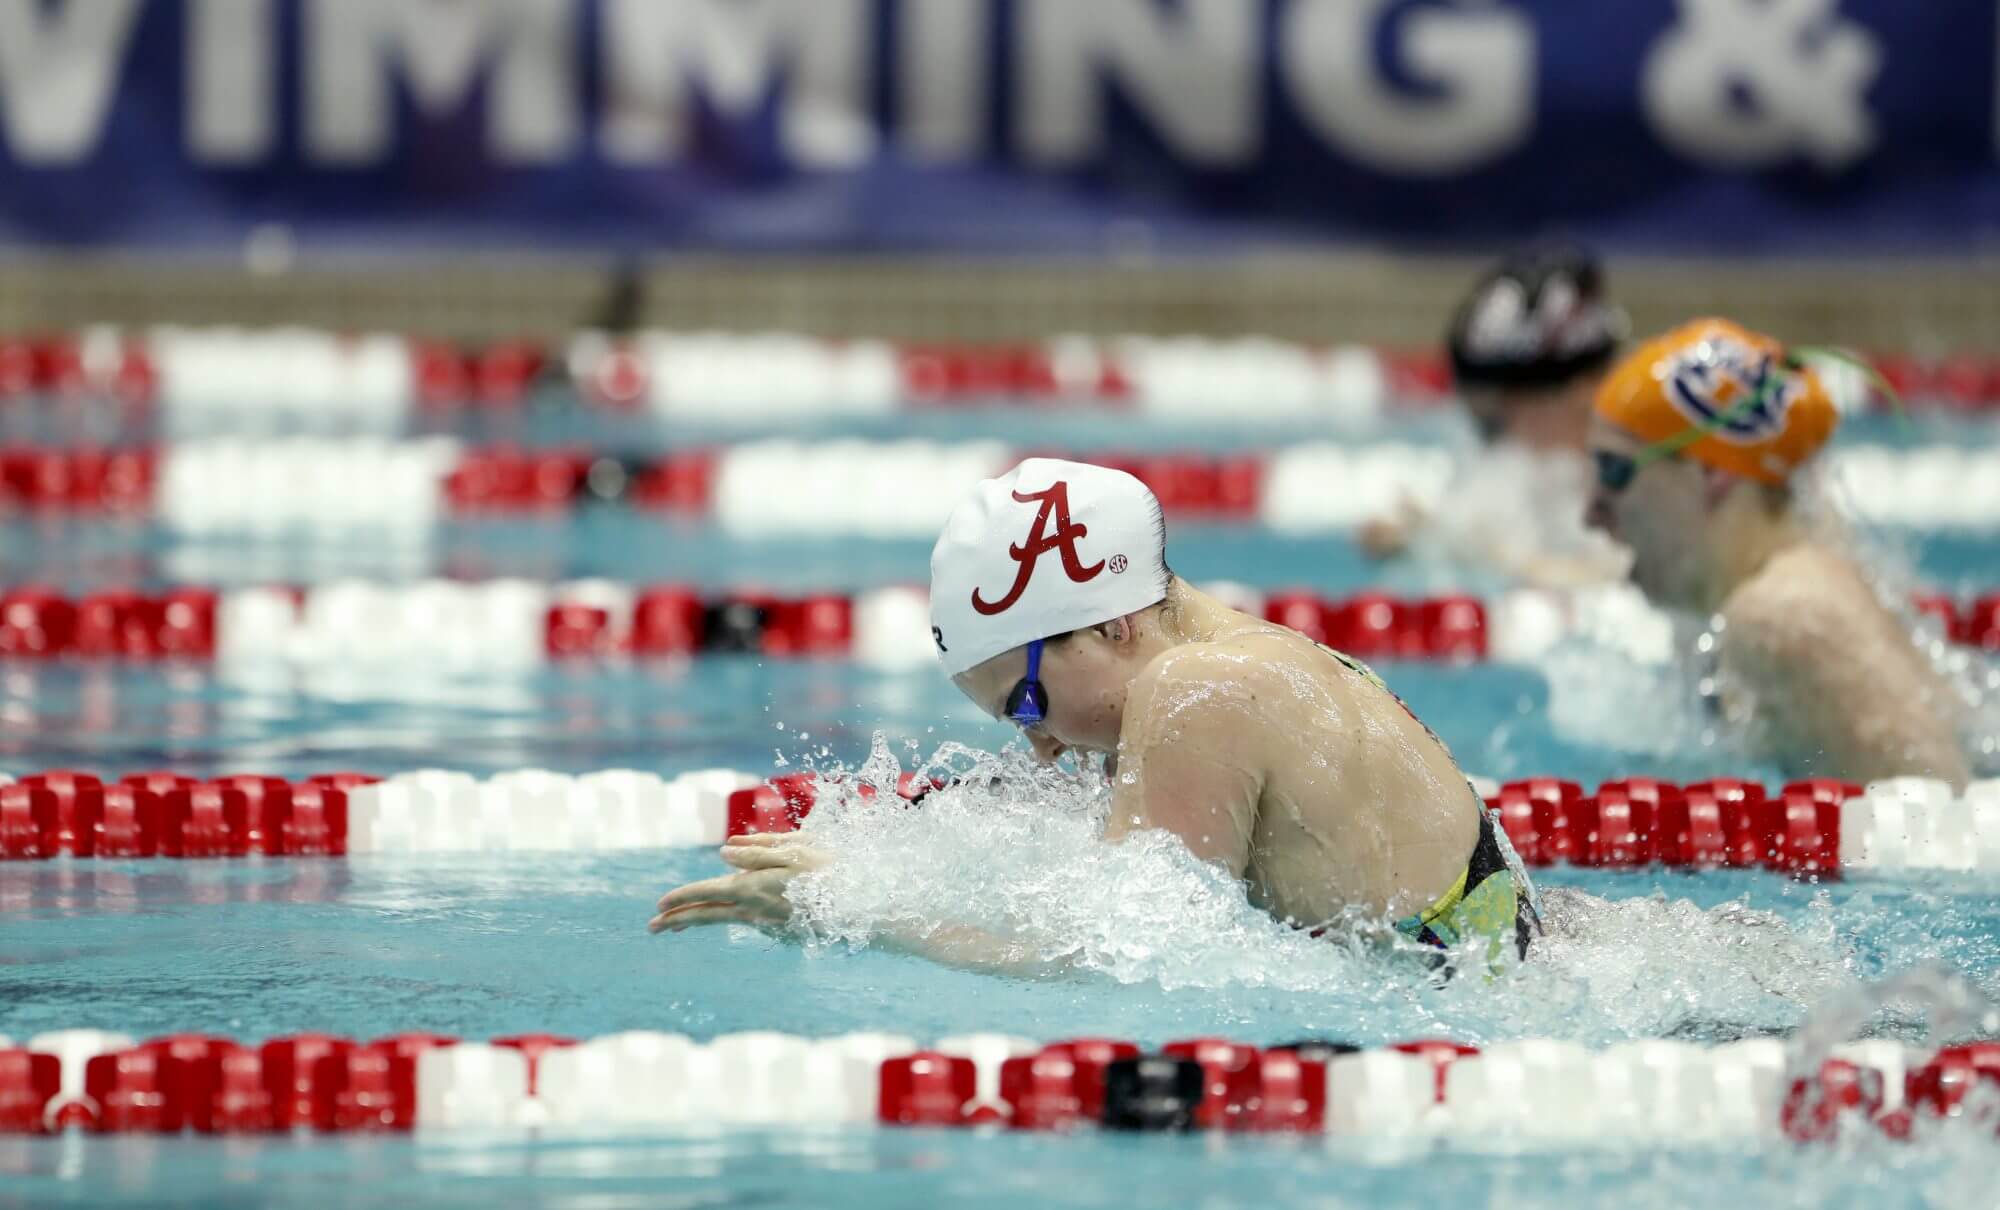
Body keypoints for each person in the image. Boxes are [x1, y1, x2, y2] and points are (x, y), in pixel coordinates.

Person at [652, 458, 1539, 968]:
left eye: (1028, 703)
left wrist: (862, 913)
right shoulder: (1250, 655)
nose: (1038, 749)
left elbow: (1117, 968)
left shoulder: (1193, 692)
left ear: (1111, 621)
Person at [1584, 317, 1971, 788]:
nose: (1593, 513)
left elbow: (1944, 820)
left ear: (1711, 473)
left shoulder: (1783, 617)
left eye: (1614, 470)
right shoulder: (1783, 583)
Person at [1361, 245, 1631, 588]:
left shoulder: (1627, 483)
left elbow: (1602, 577)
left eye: (1492, 411)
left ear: (1578, 388)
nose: (1490, 428)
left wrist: (1481, 552)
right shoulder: (1504, 485)